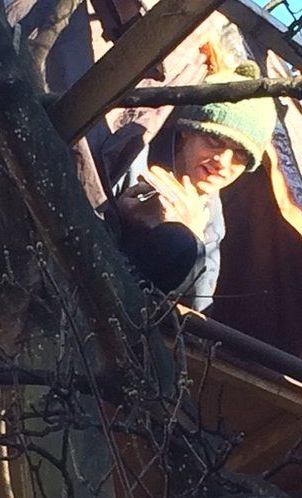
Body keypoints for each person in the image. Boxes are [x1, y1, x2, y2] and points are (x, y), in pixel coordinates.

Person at [108, 61, 278, 311]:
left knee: (181, 241)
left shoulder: (212, 218)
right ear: (188, 131)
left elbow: (198, 308)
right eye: (214, 140)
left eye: (240, 155)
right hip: (94, 271)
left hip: (141, 318)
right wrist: (120, 216)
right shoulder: (138, 155)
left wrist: (193, 236)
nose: (222, 161)